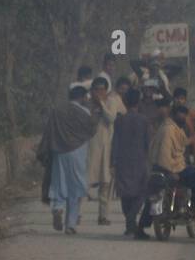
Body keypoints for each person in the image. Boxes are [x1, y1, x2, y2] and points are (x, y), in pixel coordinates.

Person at [37, 83, 100, 234]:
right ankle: (70, 225)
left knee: (59, 182)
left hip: (59, 152)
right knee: (76, 188)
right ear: (82, 97)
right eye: (86, 96)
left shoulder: (57, 111)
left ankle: (57, 208)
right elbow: (92, 129)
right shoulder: (84, 112)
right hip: (78, 153)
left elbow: (49, 131)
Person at [110, 88, 154, 239]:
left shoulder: (119, 120)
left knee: (125, 194)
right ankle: (131, 220)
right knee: (141, 192)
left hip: (122, 162)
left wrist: (113, 162)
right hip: (140, 161)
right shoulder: (144, 120)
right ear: (138, 102)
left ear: (124, 102)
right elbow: (149, 143)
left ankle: (130, 225)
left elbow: (114, 143)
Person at [150, 103, 195, 213]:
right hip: (170, 168)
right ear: (174, 115)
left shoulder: (169, 126)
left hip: (161, 167)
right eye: (181, 117)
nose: (183, 119)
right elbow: (165, 153)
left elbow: (182, 143)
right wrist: (171, 172)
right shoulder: (170, 130)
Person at [86, 76, 125, 226]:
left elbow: (111, 118)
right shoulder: (87, 104)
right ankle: (75, 214)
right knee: (85, 182)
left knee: (105, 183)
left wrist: (101, 104)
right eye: (96, 89)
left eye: (102, 89)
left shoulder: (111, 101)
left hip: (107, 148)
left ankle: (103, 216)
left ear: (106, 90)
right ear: (92, 91)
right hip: (91, 148)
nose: (99, 92)